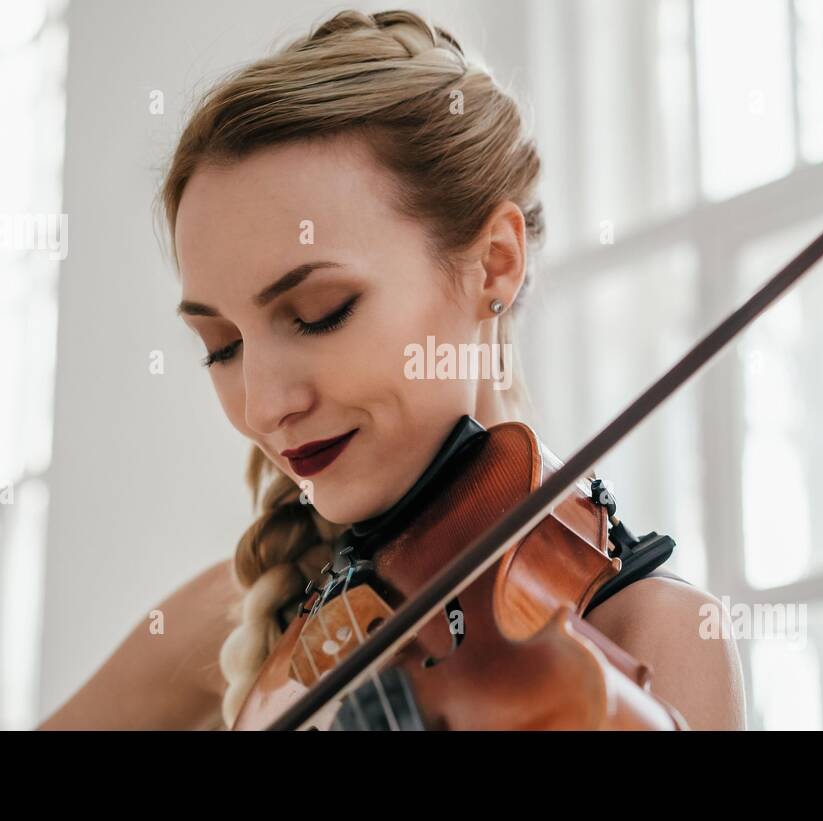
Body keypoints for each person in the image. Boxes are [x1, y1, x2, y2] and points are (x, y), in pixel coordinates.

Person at [40, 8, 745, 731]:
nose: (262, 406)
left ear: (494, 264)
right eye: (222, 345)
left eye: (320, 311)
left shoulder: (651, 636)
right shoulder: (242, 611)